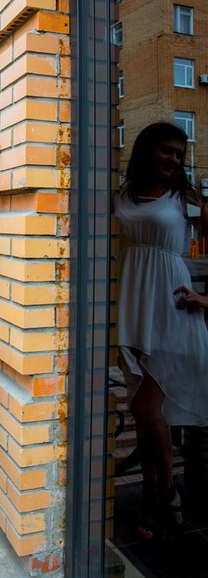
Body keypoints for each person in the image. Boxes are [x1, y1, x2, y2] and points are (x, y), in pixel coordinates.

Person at [113, 121, 208, 541]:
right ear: (146, 150)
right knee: (145, 410)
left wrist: (206, 299)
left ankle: (168, 492)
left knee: (145, 406)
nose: (173, 158)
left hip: (172, 310)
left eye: (178, 153)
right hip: (132, 304)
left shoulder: (186, 199)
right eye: (166, 150)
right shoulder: (121, 195)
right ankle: (152, 494)